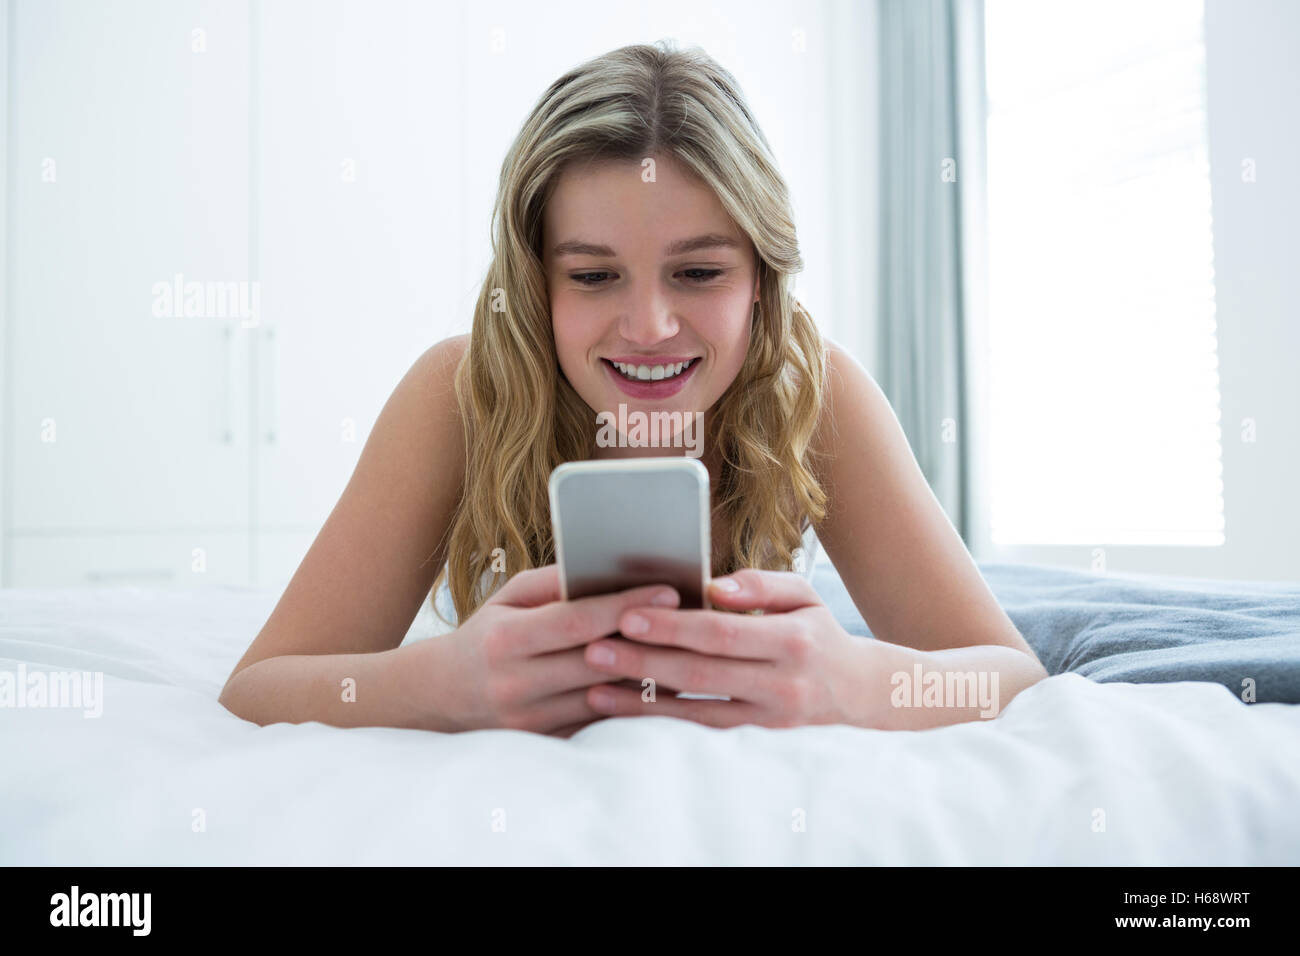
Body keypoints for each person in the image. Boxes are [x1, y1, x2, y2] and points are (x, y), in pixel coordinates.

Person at [219, 40, 1047, 738]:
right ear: (534, 282)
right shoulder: (460, 394)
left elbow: (1007, 677)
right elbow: (258, 690)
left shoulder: (813, 391)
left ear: (761, 278)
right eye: (592, 275)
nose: (648, 325)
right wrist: (443, 686)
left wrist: (857, 682)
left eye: (698, 271)